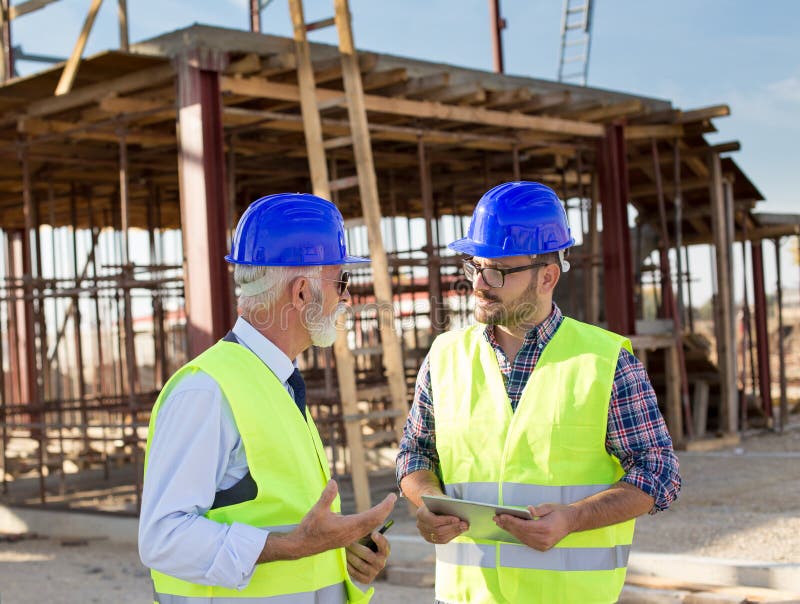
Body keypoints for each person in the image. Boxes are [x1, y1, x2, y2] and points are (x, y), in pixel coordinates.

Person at [397, 181, 681, 604]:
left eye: (496, 271)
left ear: (547, 276)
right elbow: (414, 454)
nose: (478, 284)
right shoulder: (444, 356)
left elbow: (659, 473)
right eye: (474, 267)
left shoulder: (605, 361)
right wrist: (430, 503)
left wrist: (574, 518)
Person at [140, 193, 396, 604]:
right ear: (300, 293)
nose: (344, 298)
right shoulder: (206, 391)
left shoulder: (278, 384)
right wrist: (290, 546)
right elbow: (163, 538)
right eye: (341, 282)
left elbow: (287, 523)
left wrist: (341, 551)